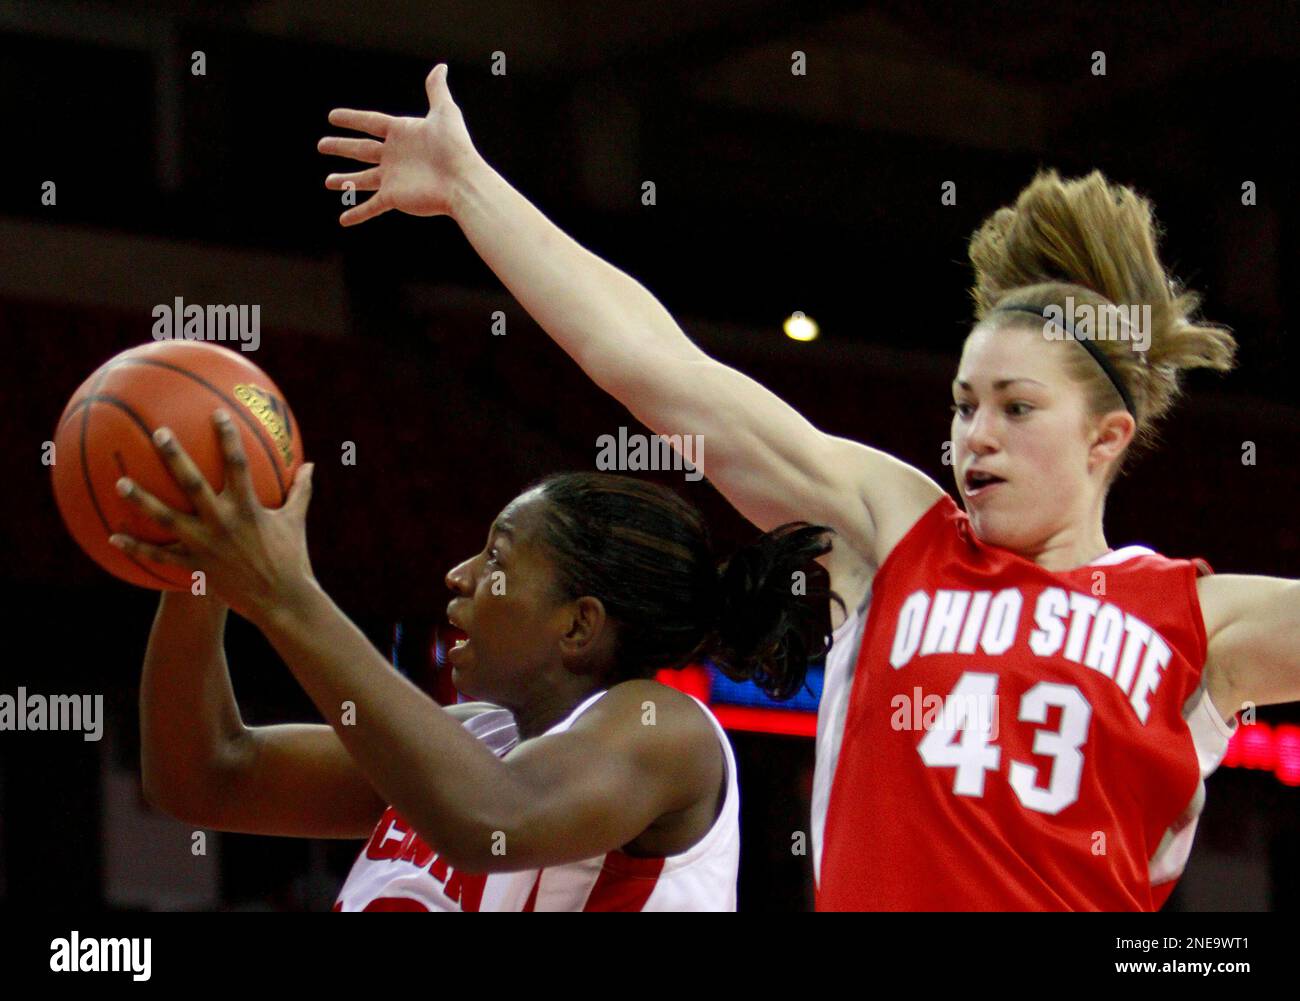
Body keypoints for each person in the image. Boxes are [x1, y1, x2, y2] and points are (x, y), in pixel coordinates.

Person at [315, 63, 1300, 910]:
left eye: (1014, 407)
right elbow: (652, 364)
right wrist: (468, 186)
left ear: (1105, 436)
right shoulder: (898, 530)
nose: (974, 436)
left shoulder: (1194, 616)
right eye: (962, 405)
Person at [120, 450, 833, 911]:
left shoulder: (667, 731)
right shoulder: (473, 741)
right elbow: (206, 775)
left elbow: (493, 816)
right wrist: (200, 571)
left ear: (578, 626)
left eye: (497, 556)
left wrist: (284, 593)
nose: (459, 576)